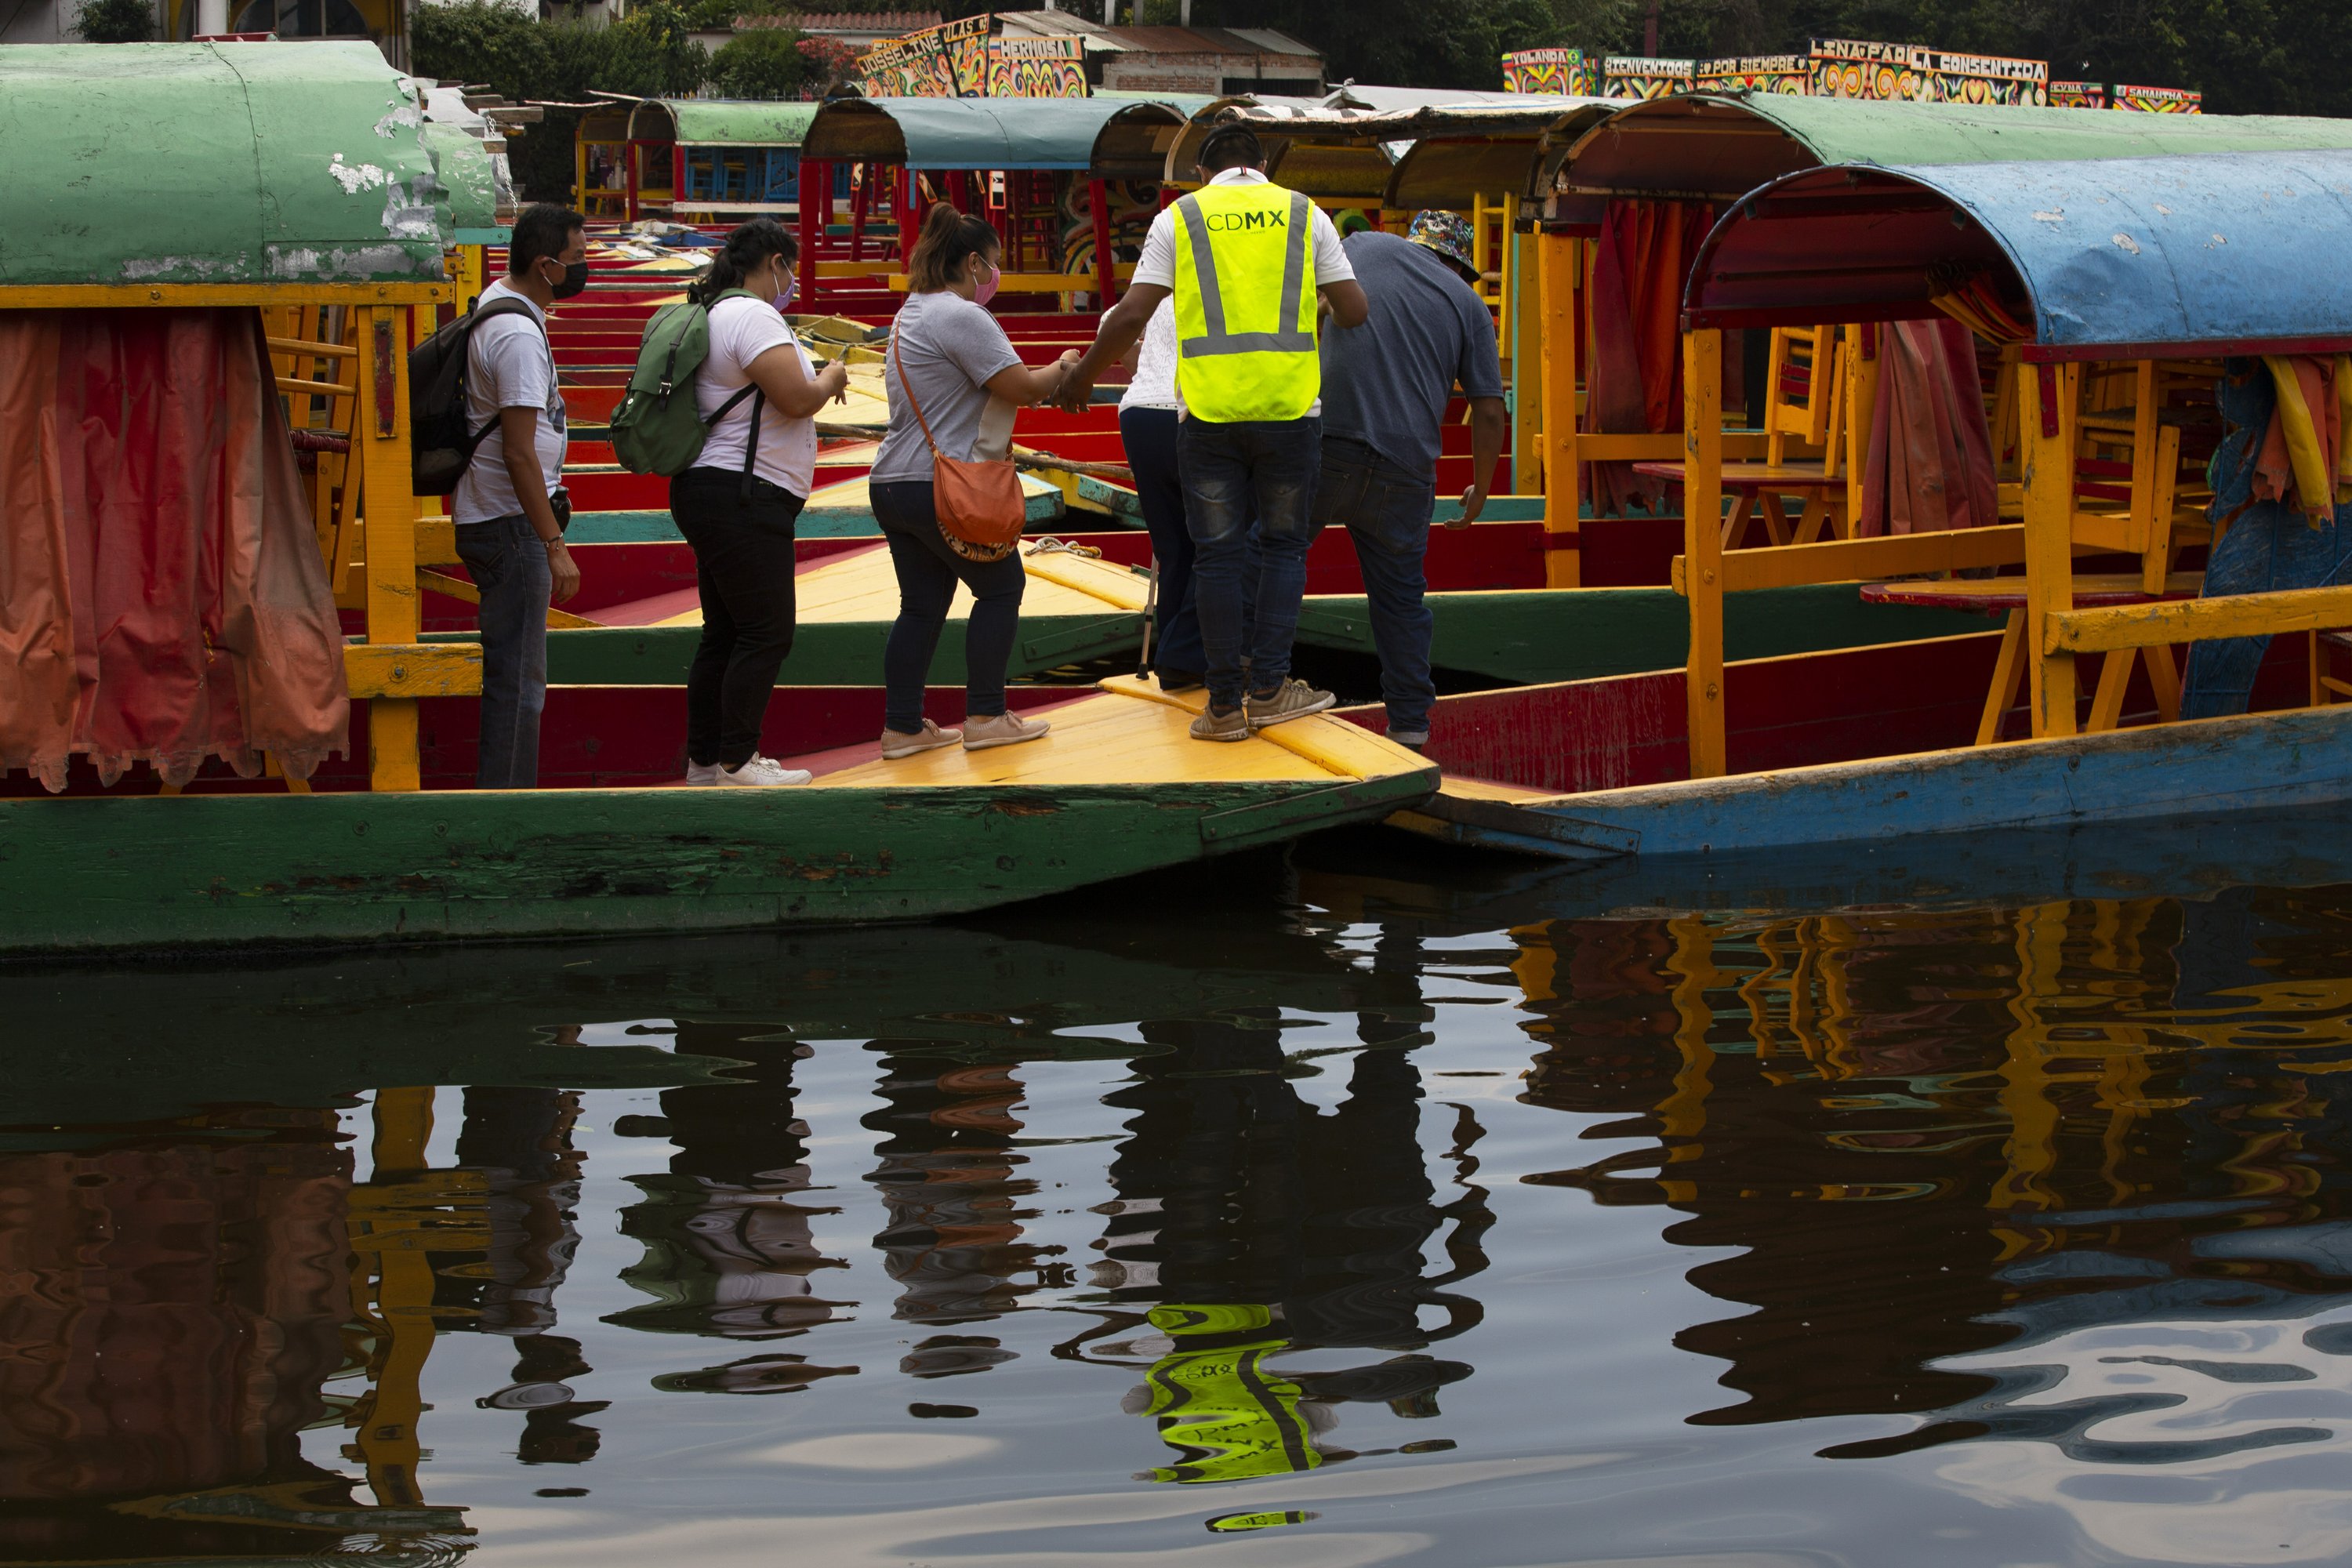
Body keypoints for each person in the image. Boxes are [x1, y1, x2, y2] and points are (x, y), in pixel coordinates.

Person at [1059, 122, 1369, 742]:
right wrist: (1320, 304)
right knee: (1281, 551)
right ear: (1262, 165)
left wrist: (1082, 377)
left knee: (1216, 558)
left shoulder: (1181, 219)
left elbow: (1131, 315)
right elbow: (1356, 310)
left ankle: (1223, 706)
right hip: (1288, 415)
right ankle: (1272, 687)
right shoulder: (1305, 214)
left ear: (1204, 173)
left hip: (1206, 417)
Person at [869, 204, 1076, 757]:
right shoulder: (961, 316)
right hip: (941, 482)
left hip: (893, 480)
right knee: (1002, 587)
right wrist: (1065, 364)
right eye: (995, 265)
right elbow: (1023, 387)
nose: (996, 276)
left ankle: (903, 727)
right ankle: (986, 714)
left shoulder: (909, 313)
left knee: (920, 606)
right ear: (973, 263)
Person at [1313, 211, 1508, 750]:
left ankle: (1256, 687)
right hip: (1406, 468)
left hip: (1330, 442)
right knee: (1399, 603)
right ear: (1458, 263)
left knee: (1274, 557)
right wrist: (1481, 489)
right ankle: (1410, 728)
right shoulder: (1470, 306)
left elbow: (1309, 299)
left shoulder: (1365, 245)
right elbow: (1490, 412)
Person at [673, 220, 849, 788]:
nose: (791, 279)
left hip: (715, 490)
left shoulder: (717, 310)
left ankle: (706, 764)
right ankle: (737, 760)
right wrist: (831, 376)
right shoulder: (752, 314)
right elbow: (797, 399)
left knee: (725, 633)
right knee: (766, 632)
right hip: (743, 494)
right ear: (774, 262)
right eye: (790, 267)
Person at [452, 202, 587, 790]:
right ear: (546, 265)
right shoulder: (518, 336)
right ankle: (505, 815)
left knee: (513, 676)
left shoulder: (496, 303)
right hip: (511, 525)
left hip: (495, 516)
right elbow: (518, 450)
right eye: (577, 260)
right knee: (520, 685)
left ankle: (502, 802)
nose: (583, 271)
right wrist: (553, 542)